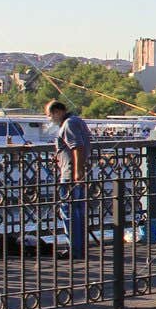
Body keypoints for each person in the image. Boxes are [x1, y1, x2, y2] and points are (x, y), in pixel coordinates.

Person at [46, 101, 92, 257]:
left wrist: (77, 172)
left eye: (50, 114)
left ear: (58, 111)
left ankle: (74, 249)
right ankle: (79, 248)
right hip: (74, 172)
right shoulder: (77, 120)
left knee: (69, 212)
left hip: (70, 175)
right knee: (78, 211)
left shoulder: (68, 124)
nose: (49, 118)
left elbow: (77, 147)